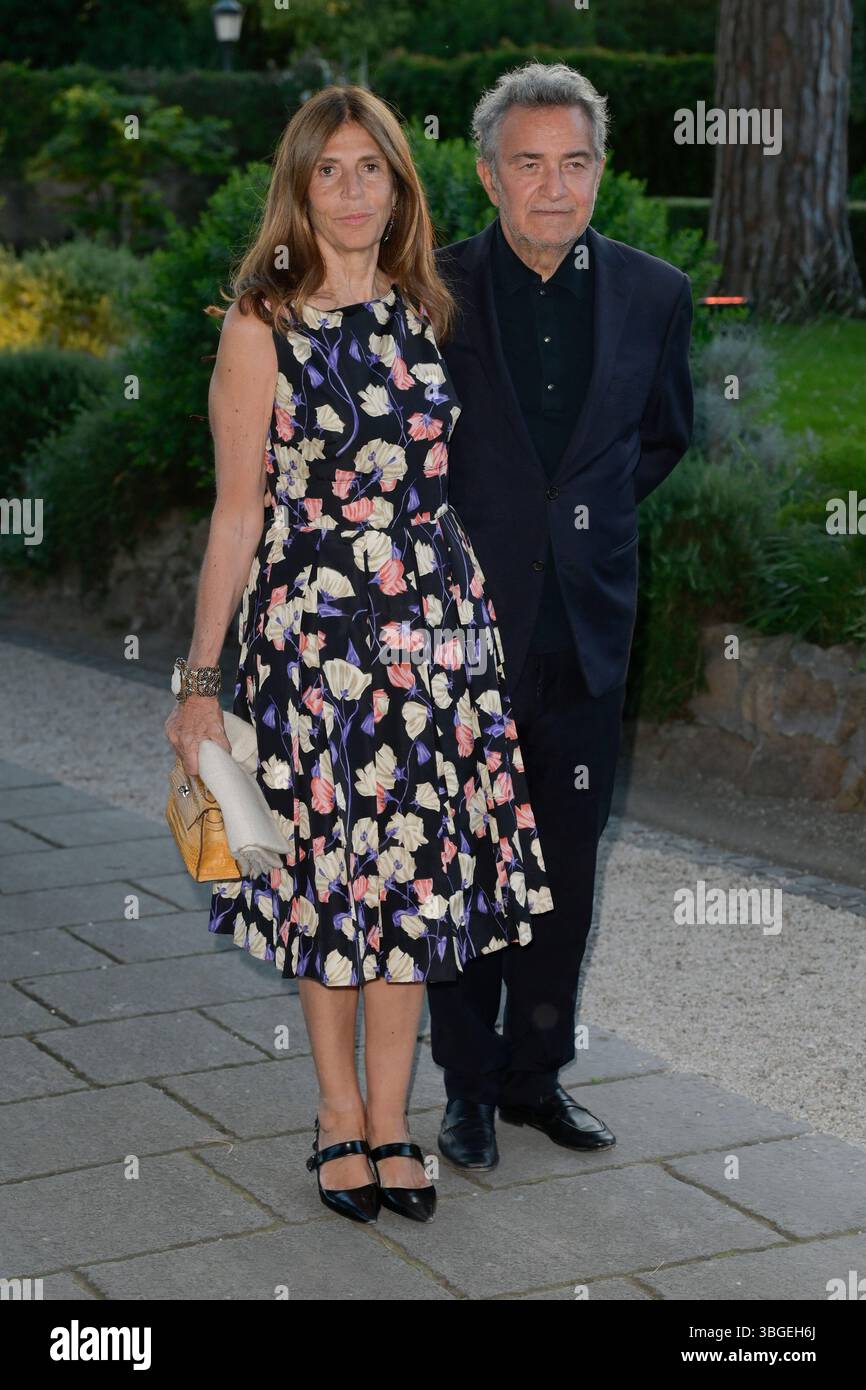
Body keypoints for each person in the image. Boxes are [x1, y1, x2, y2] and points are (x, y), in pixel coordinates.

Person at [164, 85, 554, 1225]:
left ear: (397, 186)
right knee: (329, 888)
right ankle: (336, 1114)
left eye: (368, 170)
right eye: (327, 170)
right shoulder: (259, 323)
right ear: (297, 186)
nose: (348, 191)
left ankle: (393, 1120)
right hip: (313, 644)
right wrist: (200, 683)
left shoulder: (424, 306)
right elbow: (237, 513)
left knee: (412, 884)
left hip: (435, 634)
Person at [429, 62, 694, 1169]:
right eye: (527, 164)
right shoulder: (429, 289)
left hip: (584, 627)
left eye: (572, 163)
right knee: (464, 868)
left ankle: (537, 1078)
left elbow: (661, 437)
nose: (552, 186)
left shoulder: (651, 292)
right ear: (489, 176)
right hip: (455, 630)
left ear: (599, 173)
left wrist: (570, 529)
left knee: (563, 868)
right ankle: (465, 1089)